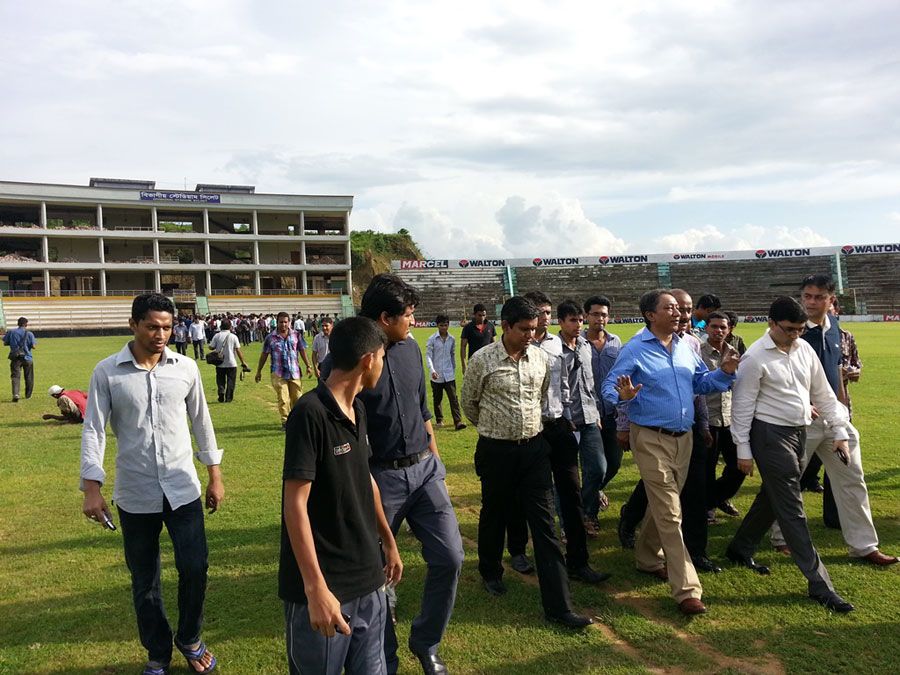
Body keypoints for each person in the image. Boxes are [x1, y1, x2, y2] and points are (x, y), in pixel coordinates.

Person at [322, 274, 463, 675]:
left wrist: (437, 466)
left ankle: (427, 642)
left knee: (451, 557)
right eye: (408, 315)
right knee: (376, 576)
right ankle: (385, 657)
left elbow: (423, 412)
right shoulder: (345, 361)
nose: (413, 322)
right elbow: (339, 429)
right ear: (385, 318)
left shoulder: (410, 350)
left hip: (425, 471)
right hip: (377, 478)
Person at [80, 293, 223, 675]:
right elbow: (94, 430)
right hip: (135, 491)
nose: (161, 334)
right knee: (145, 580)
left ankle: (189, 637)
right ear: (133, 325)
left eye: (167, 327)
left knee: (195, 567)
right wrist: (91, 487)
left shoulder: (186, 368)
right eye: (152, 326)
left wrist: (214, 473)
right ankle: (158, 652)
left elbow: (202, 423)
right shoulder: (107, 372)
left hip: (182, 488)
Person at [280, 316, 403, 675]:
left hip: (368, 577)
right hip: (326, 587)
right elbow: (295, 504)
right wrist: (315, 589)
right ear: (369, 360)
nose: (383, 363)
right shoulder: (310, 413)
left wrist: (388, 540)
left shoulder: (358, 409)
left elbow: (364, 478)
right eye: (382, 356)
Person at [602, 289, 738, 615]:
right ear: (651, 315)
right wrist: (623, 395)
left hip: (684, 439)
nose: (678, 313)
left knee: (664, 506)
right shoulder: (635, 350)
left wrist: (726, 371)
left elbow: (701, 383)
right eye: (670, 308)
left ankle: (648, 558)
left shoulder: (686, 347)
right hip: (650, 438)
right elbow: (608, 388)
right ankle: (687, 589)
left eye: (679, 308)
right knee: (670, 511)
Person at [461, 295, 593, 629]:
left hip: (534, 449)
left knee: (546, 526)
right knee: (495, 512)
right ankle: (490, 570)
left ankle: (559, 606)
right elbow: (469, 404)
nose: (531, 336)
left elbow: (542, 395)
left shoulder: (541, 359)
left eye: (534, 329)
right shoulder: (482, 360)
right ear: (505, 326)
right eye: (524, 330)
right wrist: (497, 427)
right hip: (496, 450)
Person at [725, 296, 855, 612]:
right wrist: (743, 449)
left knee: (774, 495)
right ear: (771, 323)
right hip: (769, 436)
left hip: (799, 432)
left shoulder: (803, 349)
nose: (795, 335)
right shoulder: (755, 357)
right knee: (791, 507)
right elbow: (742, 405)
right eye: (789, 329)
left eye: (800, 329)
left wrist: (839, 431)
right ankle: (820, 584)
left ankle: (740, 548)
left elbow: (823, 394)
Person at [768, 275, 897, 566]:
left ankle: (865, 545)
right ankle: (780, 537)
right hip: (801, 420)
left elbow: (836, 373)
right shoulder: (792, 332)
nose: (811, 303)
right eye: (807, 297)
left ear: (831, 300)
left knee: (853, 479)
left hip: (837, 421)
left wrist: (841, 411)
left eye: (818, 297)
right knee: (789, 481)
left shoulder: (835, 329)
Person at [557, 300, 607, 538]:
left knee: (598, 468)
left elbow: (590, 384)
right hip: (565, 420)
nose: (578, 325)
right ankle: (569, 525)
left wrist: (595, 412)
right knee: (566, 478)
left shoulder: (586, 345)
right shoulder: (552, 348)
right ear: (561, 322)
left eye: (580, 320)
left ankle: (587, 513)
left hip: (589, 417)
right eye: (572, 320)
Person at [582, 295, 624, 525]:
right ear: (587, 316)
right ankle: (589, 514)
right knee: (596, 466)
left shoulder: (616, 342)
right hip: (589, 414)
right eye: (596, 314)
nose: (600, 319)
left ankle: (592, 492)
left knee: (615, 463)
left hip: (613, 413)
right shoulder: (577, 343)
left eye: (604, 315)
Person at [701, 312, 745, 520]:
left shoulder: (734, 353)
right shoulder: (698, 352)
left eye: (723, 327)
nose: (719, 331)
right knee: (707, 468)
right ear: (706, 328)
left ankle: (715, 498)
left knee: (739, 466)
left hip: (730, 418)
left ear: (729, 330)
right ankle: (707, 507)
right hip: (708, 418)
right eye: (714, 327)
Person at [256, 312, 312, 430]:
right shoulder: (270, 338)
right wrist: (259, 371)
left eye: (286, 322)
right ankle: (285, 421)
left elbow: (302, 351)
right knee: (283, 398)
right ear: (277, 322)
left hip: (294, 371)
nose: (283, 324)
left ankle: (297, 420)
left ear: (289, 322)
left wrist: (308, 365)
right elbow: (264, 355)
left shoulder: (296, 335)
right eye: (281, 322)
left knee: (297, 398)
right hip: (278, 372)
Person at [425, 315, 465, 431]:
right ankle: (439, 420)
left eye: (446, 325)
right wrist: (432, 370)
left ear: (448, 325)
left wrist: (453, 368)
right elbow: (428, 356)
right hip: (436, 374)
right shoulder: (432, 339)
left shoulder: (451, 339)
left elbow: (452, 354)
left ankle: (458, 421)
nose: (444, 328)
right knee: (437, 398)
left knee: (453, 398)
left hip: (449, 373)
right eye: (441, 325)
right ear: (437, 325)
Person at [209, 319, 249, 403]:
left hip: (220, 362)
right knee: (231, 381)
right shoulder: (233, 336)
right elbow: (238, 350)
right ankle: (228, 398)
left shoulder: (217, 336)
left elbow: (211, 347)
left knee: (220, 380)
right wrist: (243, 362)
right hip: (231, 363)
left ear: (221, 326)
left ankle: (221, 391)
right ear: (230, 326)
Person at [4, 316, 37, 402]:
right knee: (29, 377)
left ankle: (16, 394)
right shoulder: (29, 334)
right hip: (27, 357)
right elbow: (34, 346)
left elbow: (5, 342)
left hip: (16, 358)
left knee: (15, 377)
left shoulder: (11, 332)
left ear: (18, 324)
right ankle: (28, 395)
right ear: (26, 324)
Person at [459, 303, 495, 375]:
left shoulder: (490, 326)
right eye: (479, 315)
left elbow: (494, 345)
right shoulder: (468, 327)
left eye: (484, 315)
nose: (482, 318)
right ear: (474, 314)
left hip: (488, 363)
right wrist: (464, 365)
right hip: (473, 363)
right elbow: (463, 346)